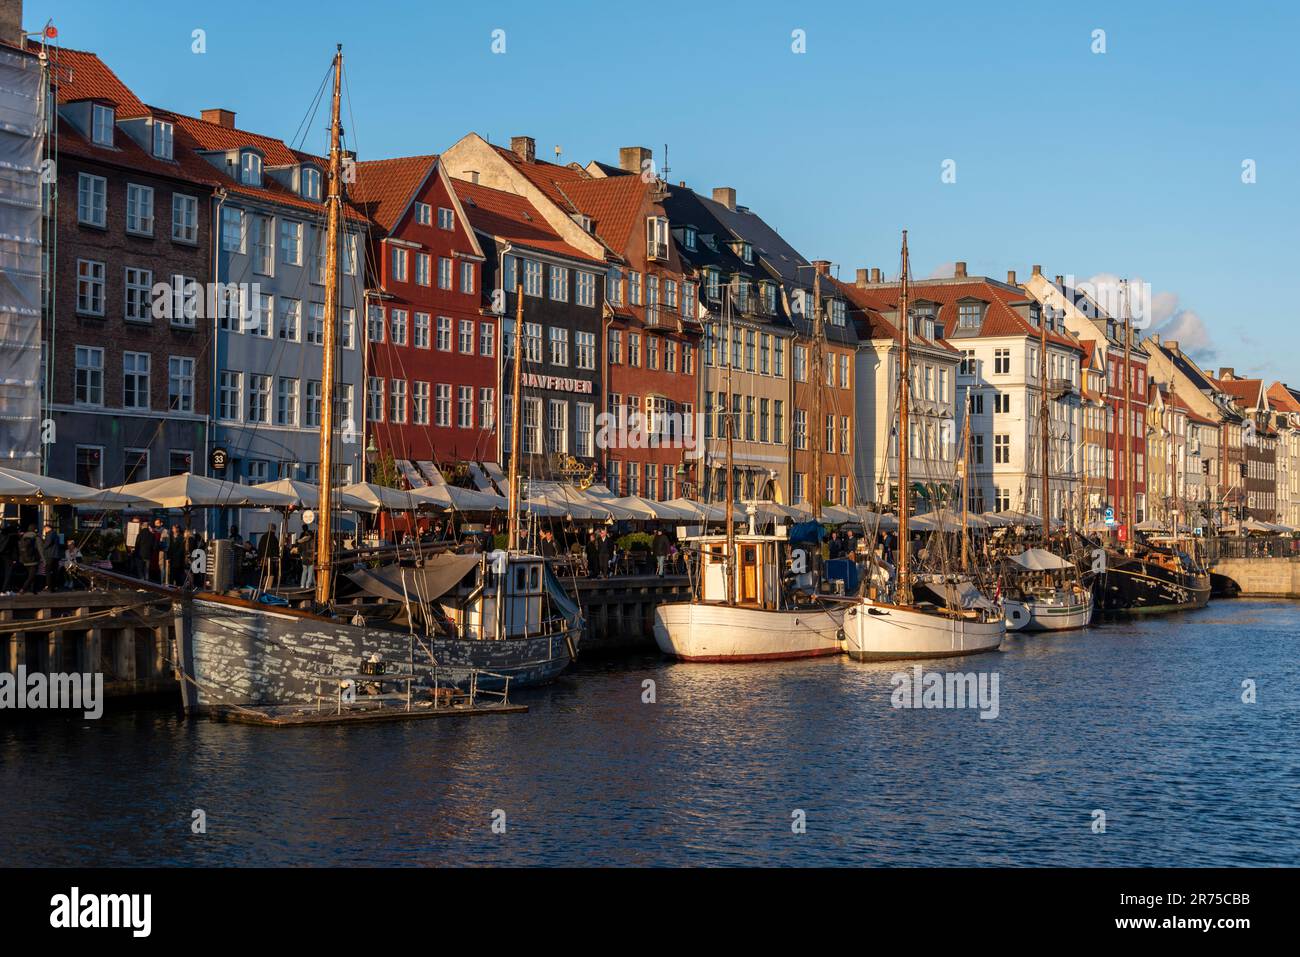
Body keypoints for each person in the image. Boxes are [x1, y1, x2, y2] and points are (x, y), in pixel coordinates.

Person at [17, 524, 40, 593]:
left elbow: (20, 549)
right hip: (33, 559)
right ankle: (23, 589)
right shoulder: (35, 537)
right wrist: (43, 559)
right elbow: (40, 549)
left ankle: (33, 590)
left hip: (25, 560)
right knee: (31, 576)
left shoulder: (22, 537)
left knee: (31, 575)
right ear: (34, 530)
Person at [39, 521, 61, 591]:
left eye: (44, 529)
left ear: (47, 528)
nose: (44, 531)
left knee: (48, 572)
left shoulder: (49, 534)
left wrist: (42, 544)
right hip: (56, 556)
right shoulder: (55, 534)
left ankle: (49, 586)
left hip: (49, 556)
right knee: (55, 572)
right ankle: (54, 586)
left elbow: (47, 544)